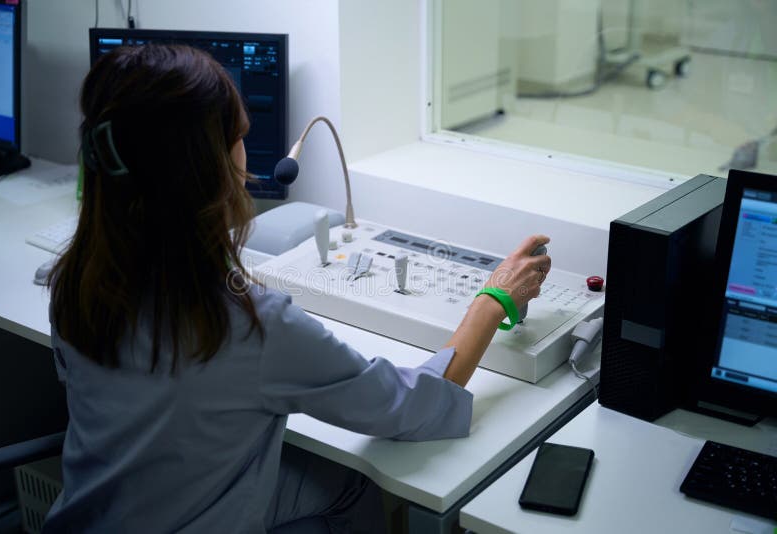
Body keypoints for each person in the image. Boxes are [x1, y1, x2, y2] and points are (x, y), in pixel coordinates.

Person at [43, 44, 551, 533]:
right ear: (209, 170)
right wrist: (495, 298)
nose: (245, 152)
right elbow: (407, 407)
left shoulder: (77, 281)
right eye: (238, 136)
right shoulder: (243, 326)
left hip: (103, 514)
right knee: (357, 485)